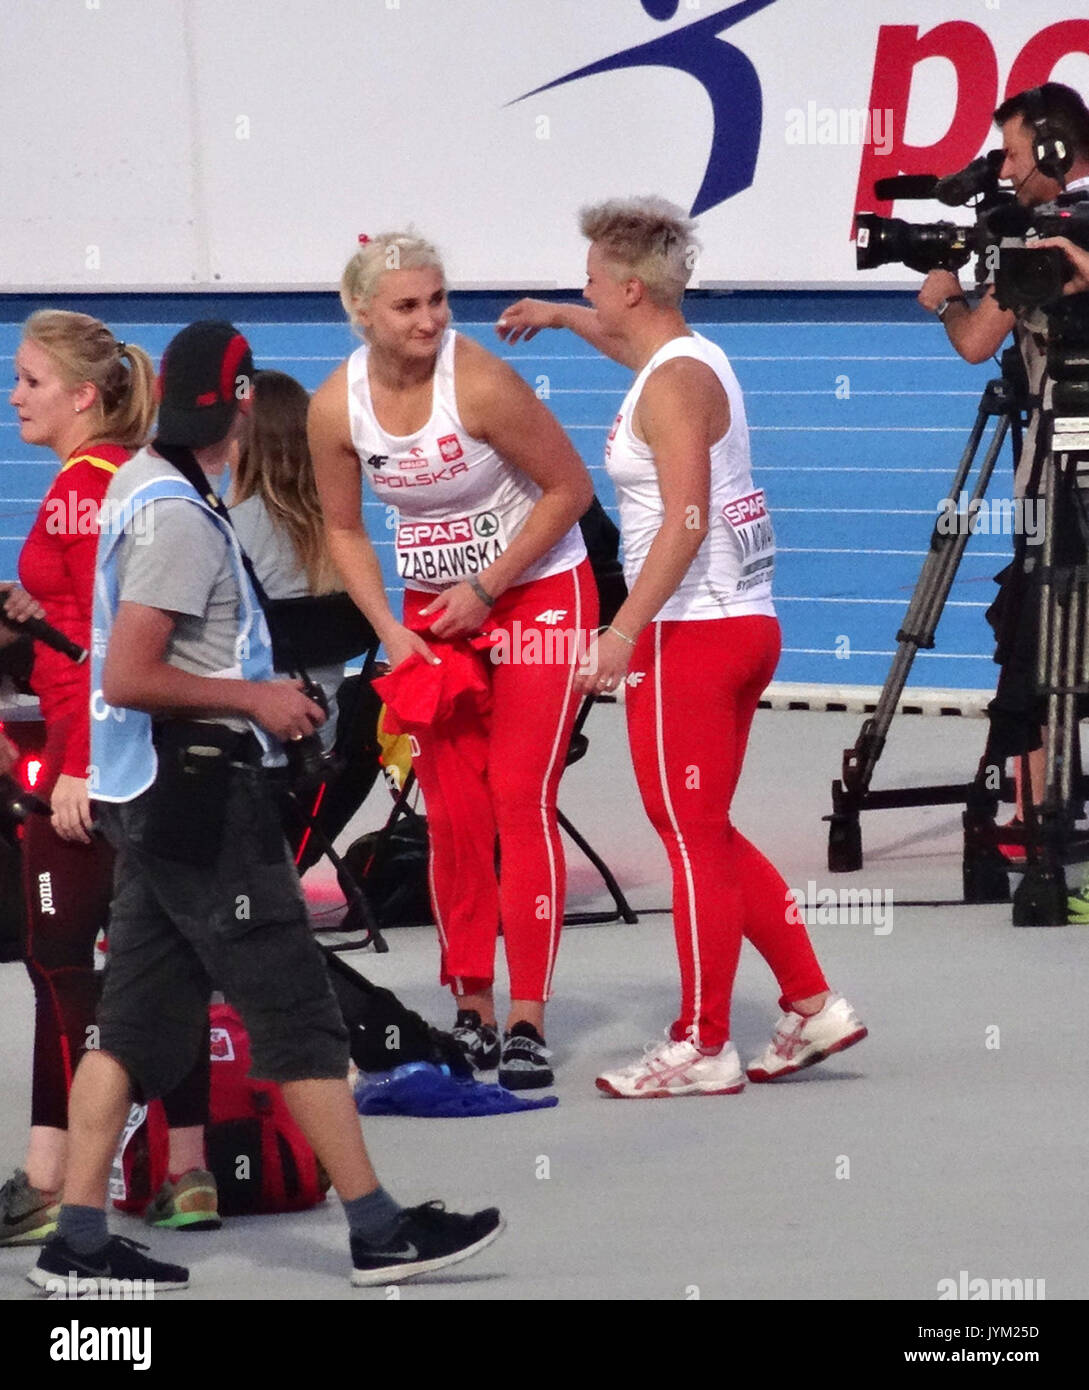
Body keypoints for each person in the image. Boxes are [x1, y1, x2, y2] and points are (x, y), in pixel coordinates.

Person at [28, 320, 502, 1295]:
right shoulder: (180, 516)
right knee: (293, 1011)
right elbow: (132, 669)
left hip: (151, 799)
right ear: (242, 402)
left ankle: (75, 1239)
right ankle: (377, 1229)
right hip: (203, 801)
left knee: (127, 1028)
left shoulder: (142, 487)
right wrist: (263, 700)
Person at [497, 197, 867, 1097]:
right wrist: (554, 318)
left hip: (688, 632)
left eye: (587, 279)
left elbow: (688, 523)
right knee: (702, 828)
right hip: (739, 625)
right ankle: (810, 1003)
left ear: (630, 285)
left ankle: (702, 1043)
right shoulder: (680, 356)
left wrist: (622, 631)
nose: (579, 288)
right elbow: (619, 340)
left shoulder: (669, 386)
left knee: (690, 839)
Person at [308, 233, 597, 1090]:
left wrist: (489, 582)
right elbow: (343, 529)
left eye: (438, 299)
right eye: (407, 306)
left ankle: (526, 1019)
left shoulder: (477, 381)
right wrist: (392, 635)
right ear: (362, 313)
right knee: (453, 812)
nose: (431, 318)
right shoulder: (336, 407)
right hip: (431, 619)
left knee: (518, 797)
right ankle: (471, 1004)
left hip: (538, 593)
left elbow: (570, 489)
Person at [1, 311, 217, 1247]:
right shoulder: (115, 483)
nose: (14, 396)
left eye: (31, 381)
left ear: (84, 396)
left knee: (64, 971)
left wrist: (80, 770)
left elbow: (116, 642)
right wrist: (28, 613)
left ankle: (52, 1184)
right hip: (130, 757)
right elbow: (84, 622)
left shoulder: (81, 492)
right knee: (165, 962)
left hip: (97, 770)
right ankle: (188, 1171)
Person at [916, 83, 1089, 858]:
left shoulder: (1046, 239)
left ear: (1055, 150)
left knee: (1031, 631)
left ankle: (1035, 818)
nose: (1010, 172)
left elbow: (976, 343)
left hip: (1059, 478)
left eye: (1015, 155)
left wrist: (947, 298)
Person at [229, 369, 346, 749]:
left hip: (241, 744)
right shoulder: (344, 538)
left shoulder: (225, 532)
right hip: (320, 747)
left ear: (241, 442)